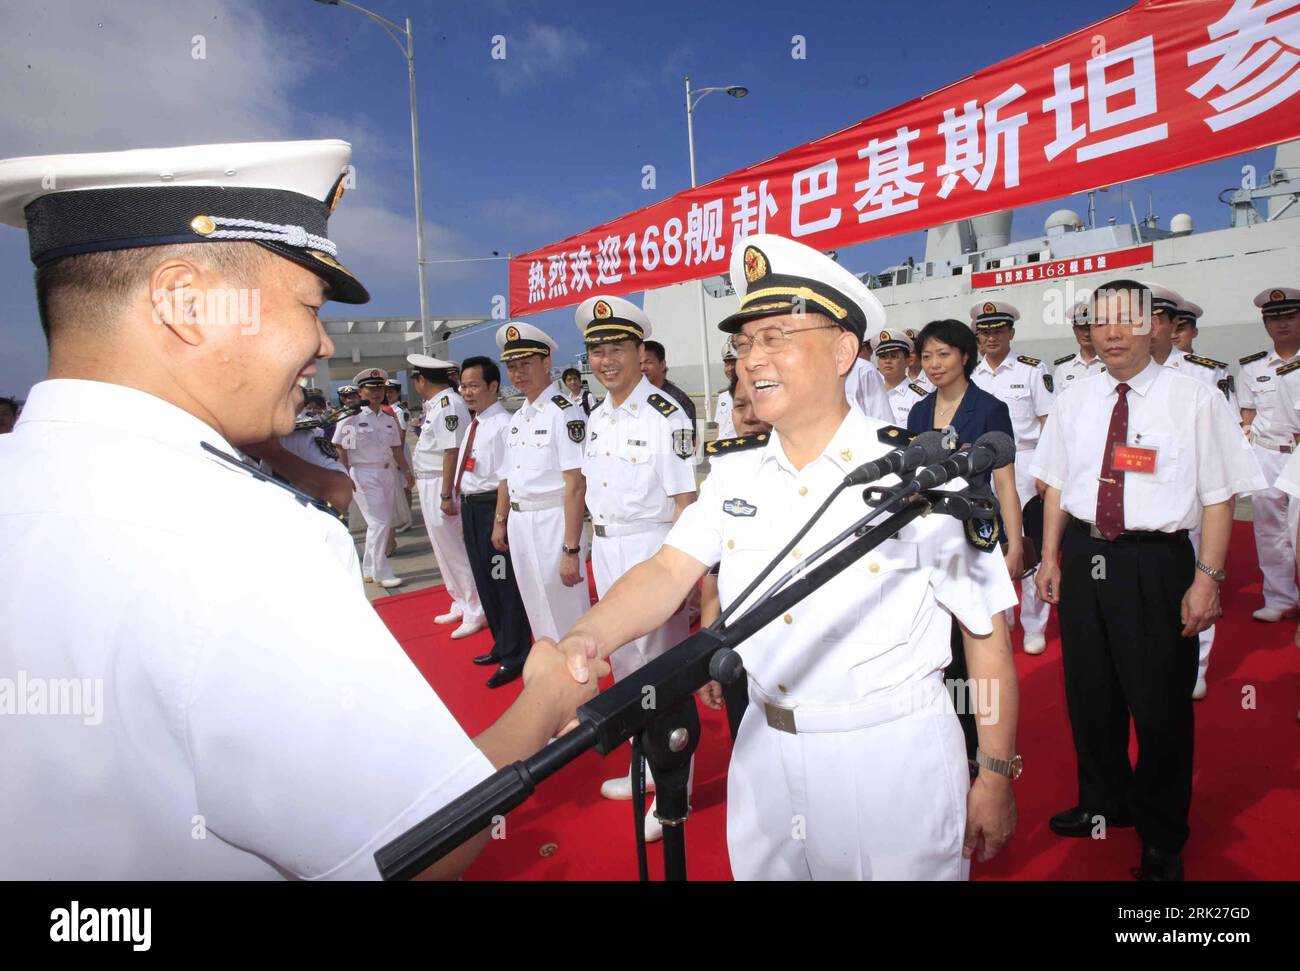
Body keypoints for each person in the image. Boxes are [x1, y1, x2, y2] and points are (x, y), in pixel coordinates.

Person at [0, 138, 598, 880]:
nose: (320, 343)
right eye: (309, 306)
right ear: (186, 301)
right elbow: (420, 846)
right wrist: (543, 701)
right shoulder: (246, 539)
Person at [550, 234, 1022, 881]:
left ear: (842, 350)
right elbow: (667, 571)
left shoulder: (925, 475)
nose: (751, 359)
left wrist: (994, 772)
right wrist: (586, 634)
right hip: (765, 753)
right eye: (745, 343)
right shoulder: (735, 475)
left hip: (890, 762)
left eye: (776, 336)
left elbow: (986, 633)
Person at [1032, 279, 1264, 881]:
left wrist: (1208, 578)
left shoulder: (1195, 398)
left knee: (1160, 704)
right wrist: (1051, 557)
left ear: (1151, 325)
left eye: (1124, 320)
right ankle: (1103, 802)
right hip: (1086, 555)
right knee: (1090, 691)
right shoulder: (1075, 397)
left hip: (1154, 562)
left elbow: (1219, 496)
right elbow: (1055, 482)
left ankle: (1162, 835)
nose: (1111, 332)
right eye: (1098, 320)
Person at [575, 294, 698, 841]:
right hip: (607, 548)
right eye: (597, 349)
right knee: (624, 666)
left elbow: (685, 504)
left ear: (640, 351)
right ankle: (644, 766)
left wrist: (687, 580)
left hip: (653, 550)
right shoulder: (595, 416)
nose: (606, 360)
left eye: (617, 348)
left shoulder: (666, 415)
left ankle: (676, 783)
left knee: (662, 670)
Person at [908, 319, 1026, 759]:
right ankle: (953, 736)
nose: (934, 364)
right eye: (927, 356)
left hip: (976, 538)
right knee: (941, 646)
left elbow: (1006, 486)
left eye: (944, 354)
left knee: (979, 639)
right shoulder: (919, 412)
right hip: (931, 541)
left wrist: (1013, 545)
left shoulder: (991, 409)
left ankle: (985, 746)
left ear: (965, 356)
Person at [497, 322, 591, 644]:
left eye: (526, 363)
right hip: (521, 523)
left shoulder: (565, 413)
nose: (518, 373)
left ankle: (580, 681)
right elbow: (509, 477)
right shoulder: (518, 418)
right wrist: (501, 521)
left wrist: (571, 548)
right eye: (512, 366)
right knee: (536, 604)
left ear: (546, 362)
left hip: (553, 521)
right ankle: (552, 673)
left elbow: (576, 484)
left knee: (567, 611)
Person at [967, 300, 1052, 655]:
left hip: (1026, 465)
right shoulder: (969, 372)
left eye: (997, 330)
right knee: (989, 542)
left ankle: (1034, 623)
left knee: (1027, 547)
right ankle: (1003, 611)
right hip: (982, 469)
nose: (990, 338)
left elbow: (1049, 423)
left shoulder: (1032, 370)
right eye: (984, 331)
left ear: (1011, 333)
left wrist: (1047, 472)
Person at [449, 356, 534, 687]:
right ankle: (501, 643)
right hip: (471, 509)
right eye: (463, 386)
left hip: (491, 510)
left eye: (473, 385)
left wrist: (500, 521)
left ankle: (516, 653)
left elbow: (505, 479)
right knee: (485, 580)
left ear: (493, 386)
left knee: (503, 582)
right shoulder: (475, 423)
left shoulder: (502, 425)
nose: (467, 392)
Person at [407, 352, 485, 640]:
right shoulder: (437, 405)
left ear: (421, 380)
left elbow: (451, 450)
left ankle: (476, 608)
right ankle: (461, 601)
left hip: (443, 483)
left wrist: (446, 494)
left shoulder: (449, 405)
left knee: (455, 548)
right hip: (431, 481)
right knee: (443, 549)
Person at [1237, 287, 1300, 623]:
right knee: (1269, 530)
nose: (1281, 324)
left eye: (1289, 317)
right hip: (1268, 454)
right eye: (1273, 319)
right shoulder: (1253, 368)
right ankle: (1280, 597)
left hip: (1299, 456)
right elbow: (1246, 417)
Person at [332, 368, 410, 588]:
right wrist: (344, 477)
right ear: (361, 391)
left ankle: (368, 568)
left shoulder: (387, 418)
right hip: (363, 473)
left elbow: (396, 449)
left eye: (380, 388)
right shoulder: (351, 417)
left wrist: (406, 472)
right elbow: (342, 450)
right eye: (371, 388)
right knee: (380, 522)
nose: (376, 393)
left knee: (380, 522)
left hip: (386, 473)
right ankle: (381, 571)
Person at [872, 328, 928, 426]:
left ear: (907, 361)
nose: (887, 361)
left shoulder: (919, 398)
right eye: (883, 356)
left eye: (894, 356)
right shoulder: (870, 392)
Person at [640, 339, 697, 423]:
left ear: (662, 365)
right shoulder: (635, 395)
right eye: (639, 363)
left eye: (648, 362)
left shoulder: (679, 400)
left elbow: (688, 436)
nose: (642, 368)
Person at [1053, 301, 1107, 389]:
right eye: (1081, 328)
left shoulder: (1112, 363)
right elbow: (1057, 401)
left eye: (1089, 328)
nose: (1086, 334)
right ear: (1074, 330)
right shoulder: (1063, 369)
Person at [714, 341, 738, 439]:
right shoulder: (722, 396)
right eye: (726, 365)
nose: (730, 369)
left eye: (733, 364)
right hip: (723, 448)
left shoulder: (752, 394)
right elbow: (719, 428)